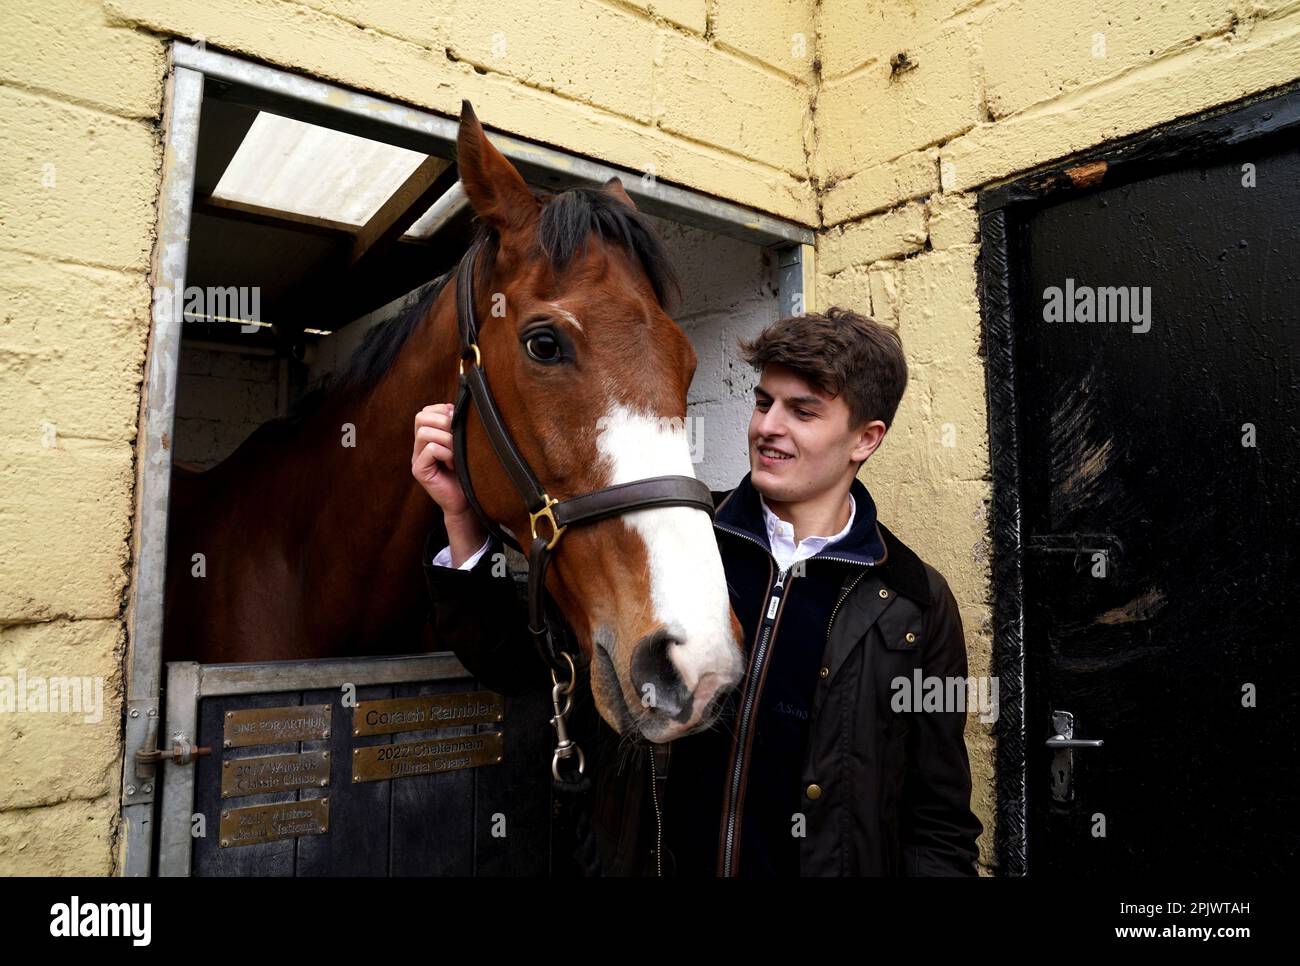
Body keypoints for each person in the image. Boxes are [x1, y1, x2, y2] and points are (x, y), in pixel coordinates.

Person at [413, 306, 983, 876]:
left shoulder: (913, 603)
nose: (767, 428)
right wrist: (460, 520)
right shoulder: (676, 540)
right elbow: (519, 663)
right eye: (764, 403)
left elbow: (937, 819)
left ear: (866, 438)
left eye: (802, 412)